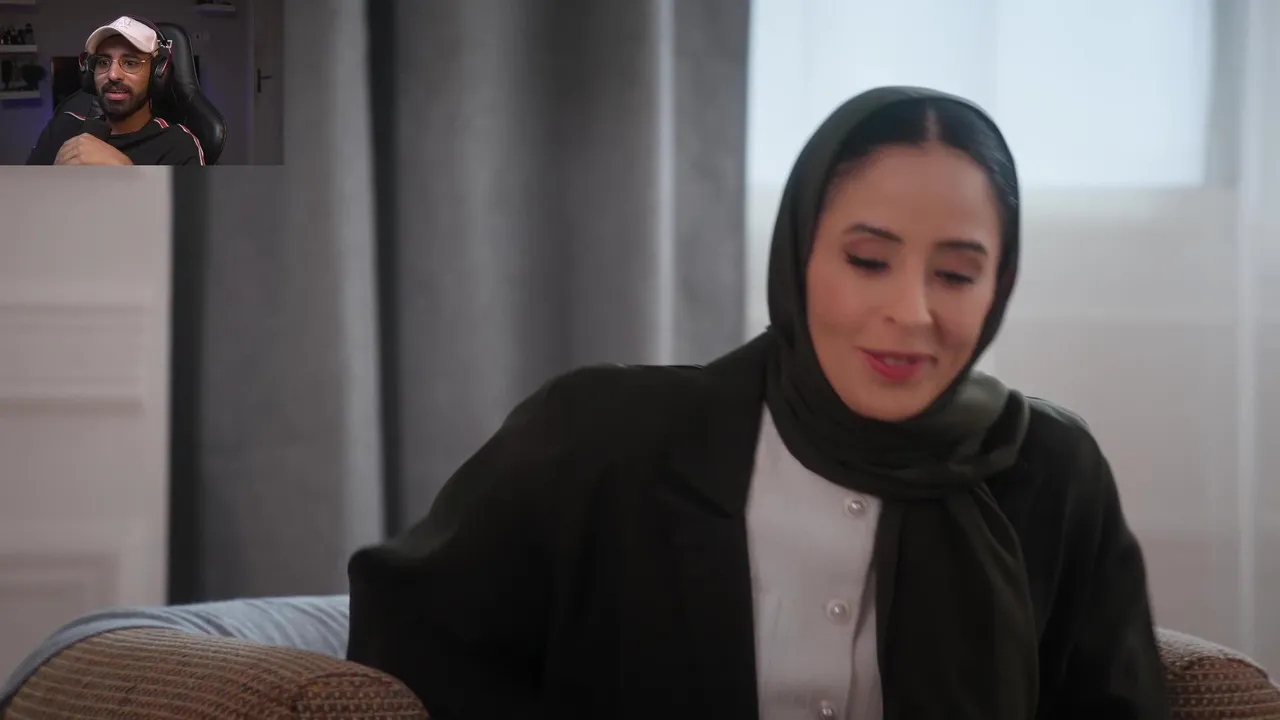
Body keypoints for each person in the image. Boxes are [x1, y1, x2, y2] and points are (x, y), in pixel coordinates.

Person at [346, 86, 1171, 719]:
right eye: (868, 260)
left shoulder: (1051, 469)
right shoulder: (599, 434)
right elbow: (411, 633)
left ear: (999, 285)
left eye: (955, 274)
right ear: (799, 252)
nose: (911, 312)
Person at [25, 15, 205, 166]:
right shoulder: (62, 129)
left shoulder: (178, 146)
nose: (113, 75)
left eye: (130, 63)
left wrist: (127, 173)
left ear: (158, 73)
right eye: (103, 62)